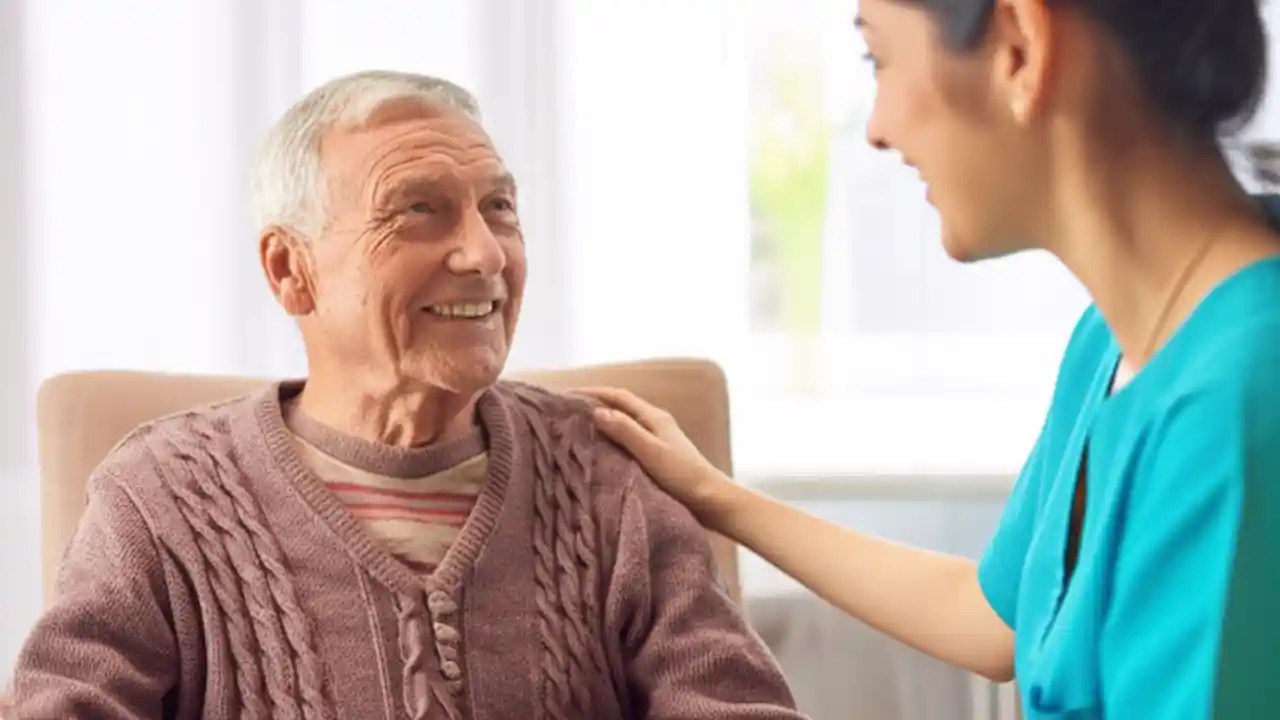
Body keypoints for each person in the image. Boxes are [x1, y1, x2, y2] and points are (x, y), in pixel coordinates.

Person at [7, 70, 804, 720]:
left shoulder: (607, 477)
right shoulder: (159, 499)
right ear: (290, 270)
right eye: (420, 210)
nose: (485, 254)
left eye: (499, 208)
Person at [582, 0, 1280, 718]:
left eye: (879, 59)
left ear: (1019, 48)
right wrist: (716, 497)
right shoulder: (1112, 340)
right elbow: (995, 616)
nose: (877, 129)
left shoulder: (1238, 408)